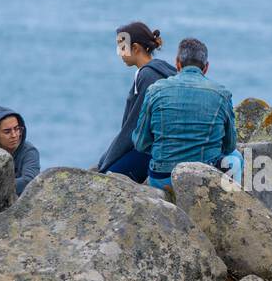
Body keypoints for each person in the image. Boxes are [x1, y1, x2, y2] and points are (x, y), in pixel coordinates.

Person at [132, 37, 241, 190]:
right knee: (236, 157)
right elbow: (229, 145)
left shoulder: (155, 90)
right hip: (203, 177)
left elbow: (140, 142)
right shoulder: (222, 94)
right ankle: (232, 208)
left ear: (177, 63)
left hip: (162, 177)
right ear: (206, 67)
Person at [96, 22, 175, 182]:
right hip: (162, 145)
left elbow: (133, 127)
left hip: (151, 150)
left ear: (136, 48)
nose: (119, 53)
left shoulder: (147, 76)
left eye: (122, 47)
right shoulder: (162, 70)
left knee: (107, 177)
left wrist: (108, 160)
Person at [0, 105, 41, 195]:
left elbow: (29, 181)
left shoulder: (29, 152)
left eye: (17, 129)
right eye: (7, 131)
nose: (14, 135)